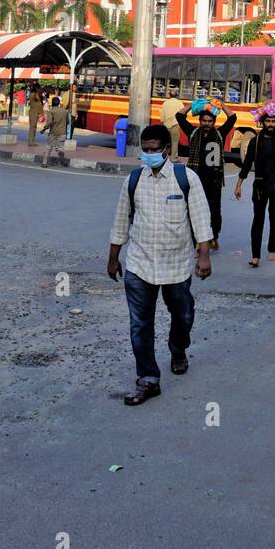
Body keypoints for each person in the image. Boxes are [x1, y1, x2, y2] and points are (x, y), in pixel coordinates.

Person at [107, 123, 213, 406]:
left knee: (183, 315)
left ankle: (178, 348)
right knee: (140, 323)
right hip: (140, 265)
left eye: (155, 150)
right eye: (146, 149)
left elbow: (201, 218)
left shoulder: (186, 178)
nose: (149, 154)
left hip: (176, 265)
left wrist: (203, 254)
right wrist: (114, 256)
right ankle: (148, 379)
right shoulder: (133, 180)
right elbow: (121, 220)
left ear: (167, 149)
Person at [234, 101, 275, 266]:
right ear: (262, 122)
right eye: (267, 121)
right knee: (258, 221)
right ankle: (255, 256)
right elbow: (247, 164)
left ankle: (271, 249)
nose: (270, 124)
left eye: (273, 121)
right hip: (260, 187)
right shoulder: (255, 142)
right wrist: (239, 184)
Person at [176, 100, 237, 250]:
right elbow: (179, 116)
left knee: (214, 212)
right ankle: (197, 241)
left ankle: (214, 237)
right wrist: (196, 104)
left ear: (214, 122)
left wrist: (219, 104)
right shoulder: (193, 132)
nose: (207, 123)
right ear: (200, 120)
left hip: (214, 180)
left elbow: (232, 118)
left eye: (210, 121)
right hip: (195, 179)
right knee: (195, 211)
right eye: (204, 120)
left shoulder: (220, 134)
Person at [40, 96, 69, 167]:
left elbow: (49, 122)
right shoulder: (65, 112)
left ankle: (44, 163)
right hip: (62, 133)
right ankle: (63, 161)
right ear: (59, 103)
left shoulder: (51, 111)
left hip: (53, 132)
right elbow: (67, 122)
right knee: (60, 148)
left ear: (52, 103)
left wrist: (44, 129)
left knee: (48, 148)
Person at [160, 90, 186, 161]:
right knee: (174, 142)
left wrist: (163, 122)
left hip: (166, 125)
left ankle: (162, 157)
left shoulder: (165, 103)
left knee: (165, 143)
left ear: (169, 95)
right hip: (174, 125)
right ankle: (174, 158)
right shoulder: (179, 103)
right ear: (177, 95)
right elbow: (183, 113)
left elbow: (162, 117)